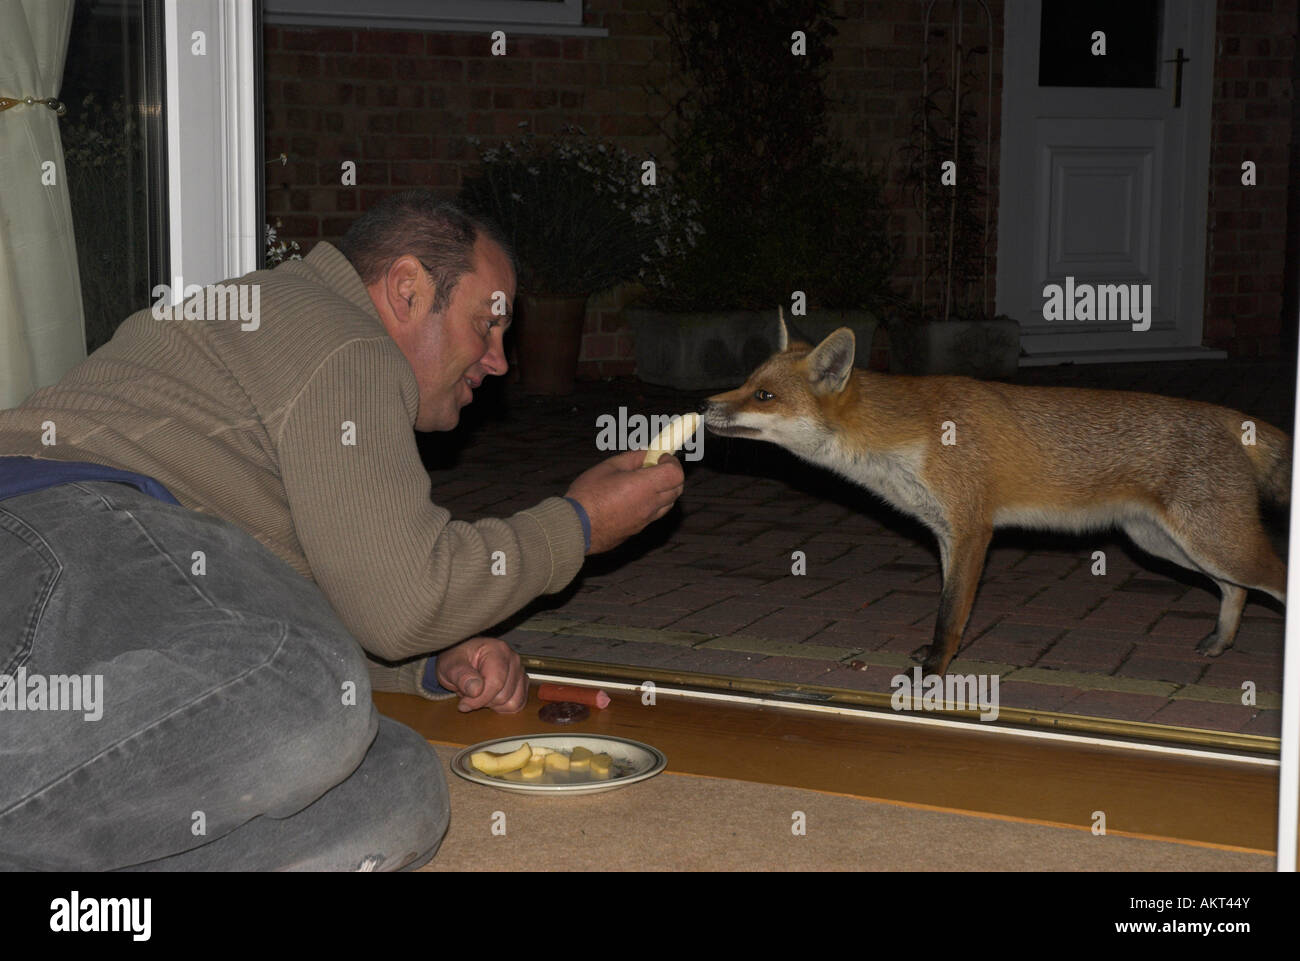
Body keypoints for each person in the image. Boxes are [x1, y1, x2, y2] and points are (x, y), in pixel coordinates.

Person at [0, 190, 684, 871]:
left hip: (115, 616)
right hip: (54, 531)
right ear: (408, 288)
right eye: (488, 323)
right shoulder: (342, 335)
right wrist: (579, 524)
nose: (499, 359)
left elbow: (331, 602)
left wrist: (421, 661)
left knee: (396, 787)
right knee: (316, 687)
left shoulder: (290, 342)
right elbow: (403, 602)